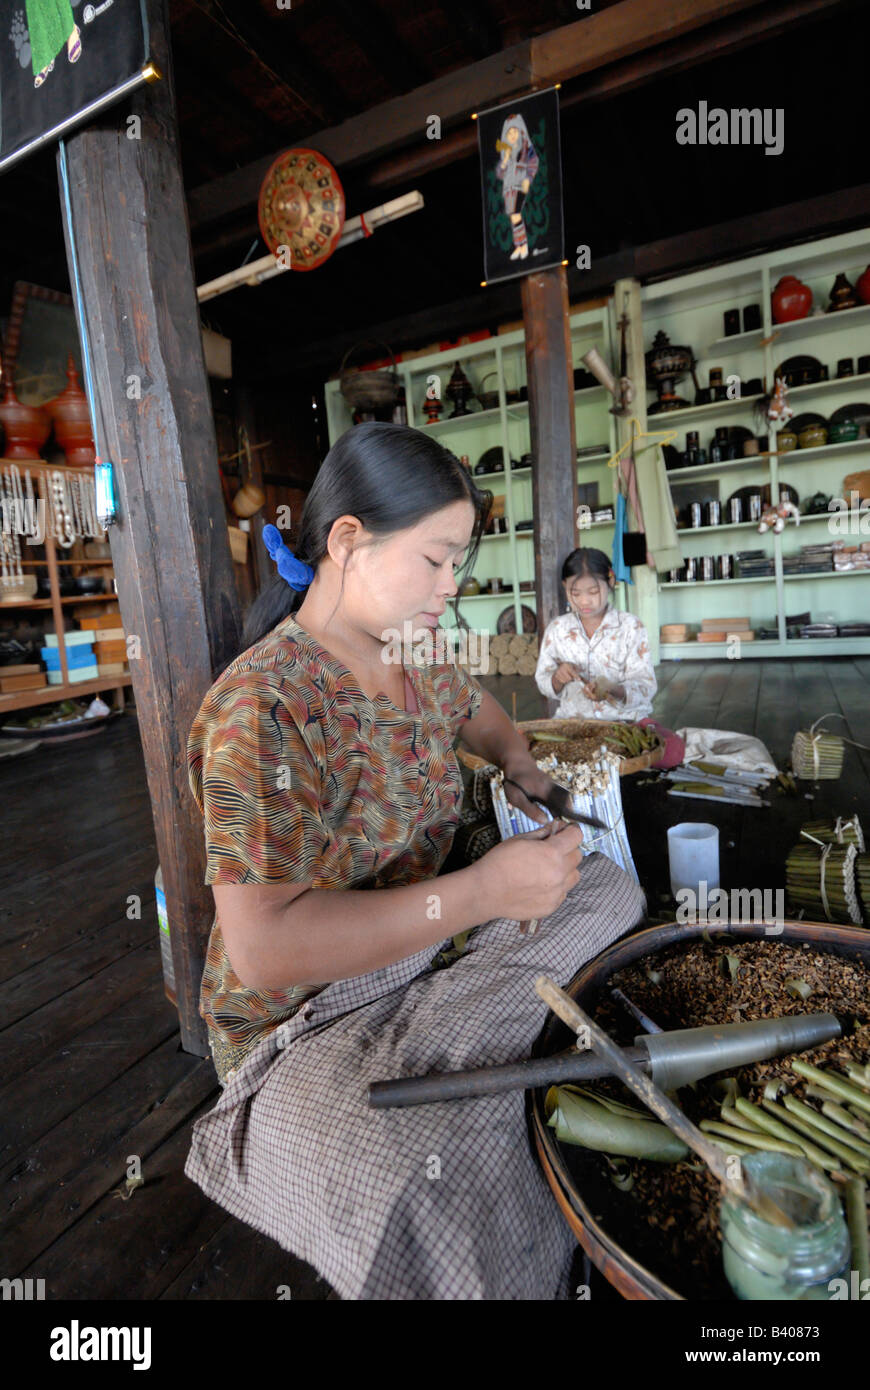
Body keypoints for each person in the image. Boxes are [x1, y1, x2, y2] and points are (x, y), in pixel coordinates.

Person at [183, 423, 645, 1300]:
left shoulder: (411, 651)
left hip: (432, 948)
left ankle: (471, 1044)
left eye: (459, 563)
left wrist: (521, 765)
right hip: (304, 1015)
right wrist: (480, 893)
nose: (451, 586)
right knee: (430, 1180)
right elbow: (265, 951)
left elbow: (478, 712)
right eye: (435, 560)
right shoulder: (264, 706)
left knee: (610, 890)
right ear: (348, 541)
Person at [535, 546, 685, 768]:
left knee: (672, 750)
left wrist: (613, 689)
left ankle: (600, 759)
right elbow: (543, 681)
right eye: (575, 593)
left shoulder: (630, 627)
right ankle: (605, 760)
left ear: (610, 581)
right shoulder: (557, 629)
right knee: (531, 748)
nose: (584, 601)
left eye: (593, 592)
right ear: (565, 587)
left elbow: (646, 686)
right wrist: (557, 678)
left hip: (627, 723)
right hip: (575, 724)